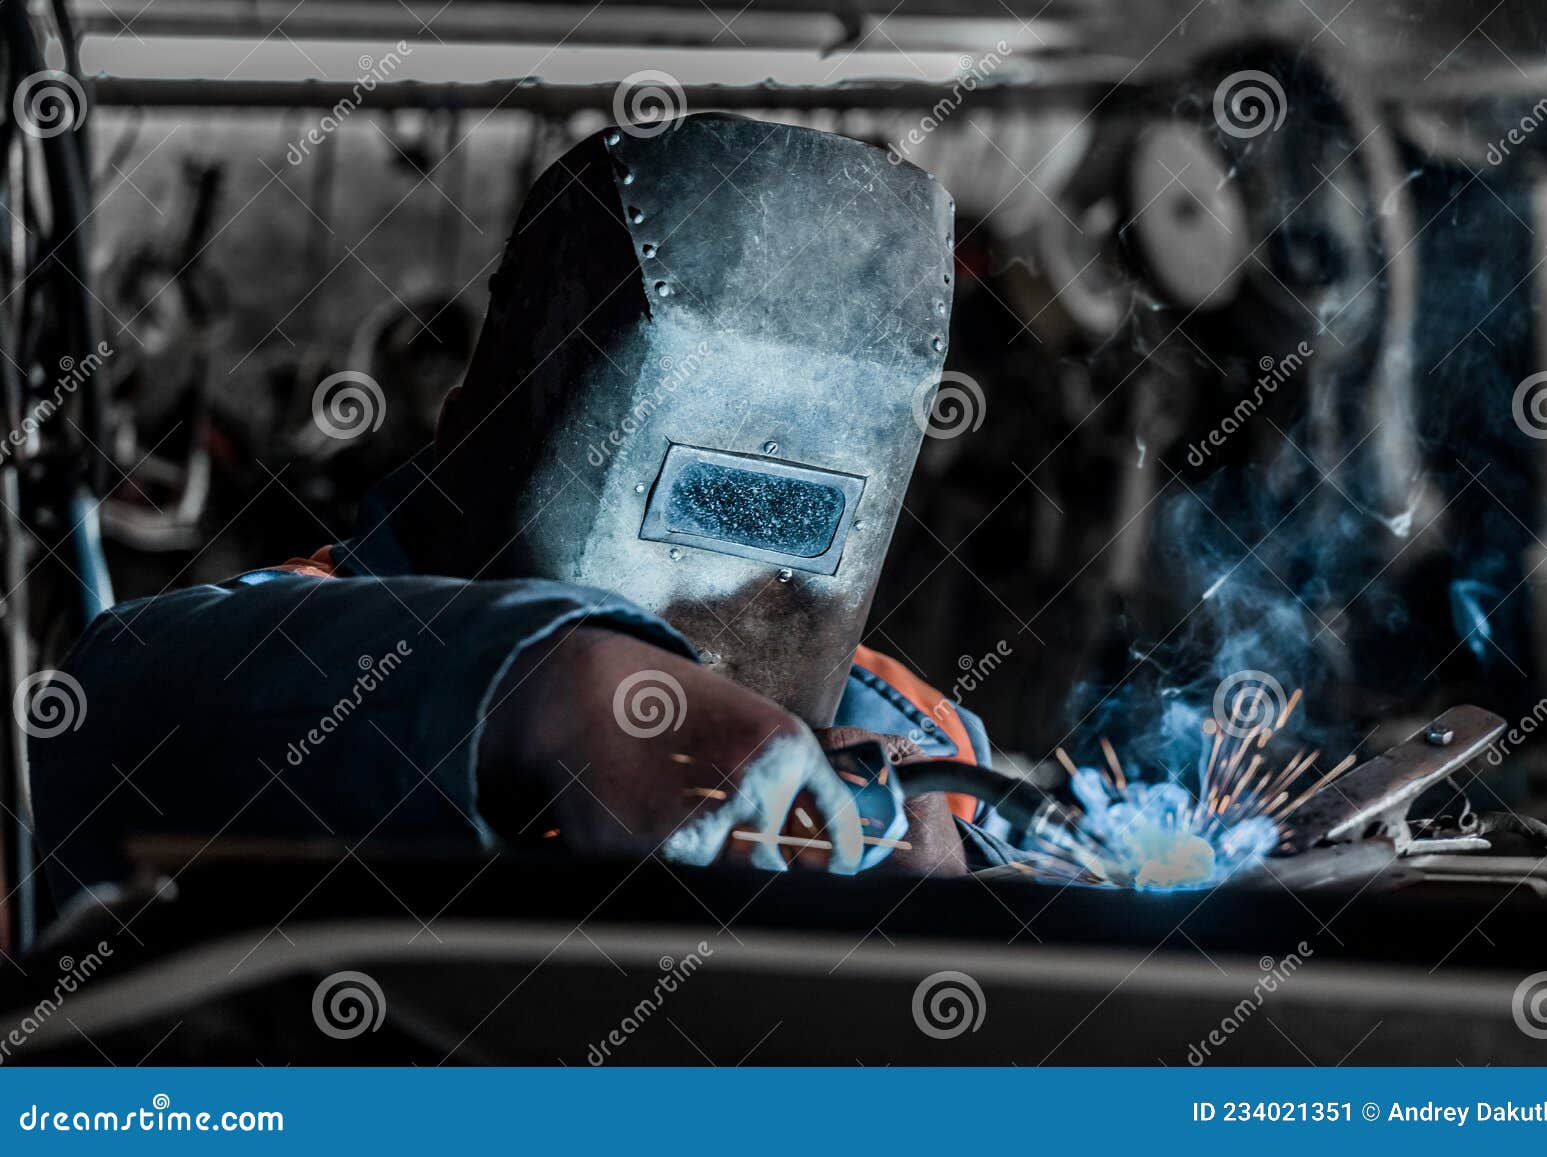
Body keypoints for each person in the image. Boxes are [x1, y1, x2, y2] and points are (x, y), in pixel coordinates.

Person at [28, 114, 1012, 905]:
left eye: (787, 517)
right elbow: (112, 709)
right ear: (457, 435)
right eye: (695, 496)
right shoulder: (291, 639)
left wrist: (955, 896)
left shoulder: (906, 728)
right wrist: (552, 686)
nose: (722, 579)